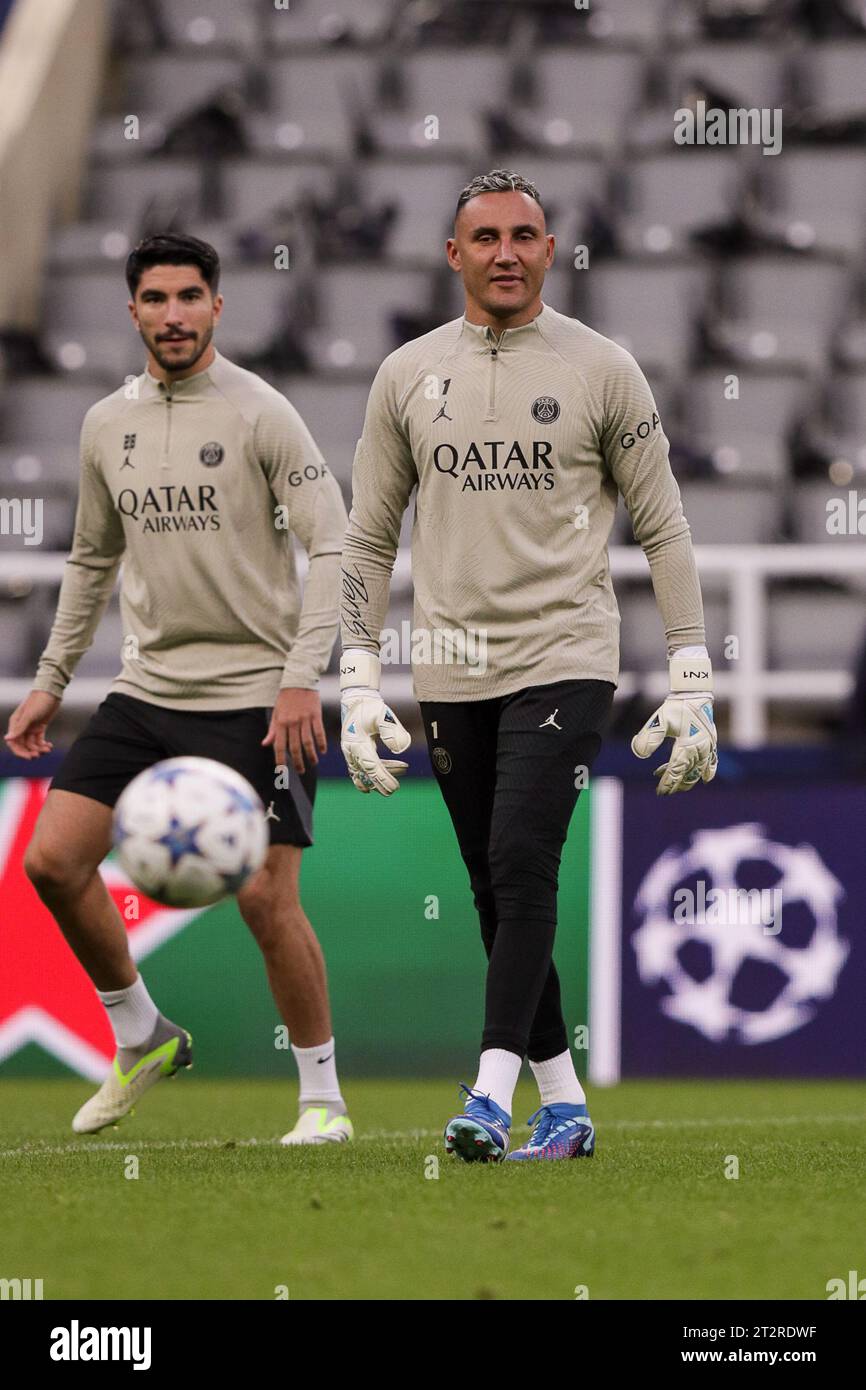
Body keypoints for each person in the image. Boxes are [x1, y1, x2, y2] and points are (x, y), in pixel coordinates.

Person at [338, 171, 717, 1163]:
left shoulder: (602, 368)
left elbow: (664, 525)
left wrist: (689, 671)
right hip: (448, 663)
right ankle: (564, 1102)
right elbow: (368, 538)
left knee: (519, 860)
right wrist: (355, 676)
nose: (505, 250)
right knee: (490, 889)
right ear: (451, 255)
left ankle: (486, 1093)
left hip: (564, 651)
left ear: (551, 250)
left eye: (524, 234)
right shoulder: (404, 375)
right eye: (484, 236)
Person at [5, 233, 354, 1147]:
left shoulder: (261, 412)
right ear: (132, 312)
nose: (173, 315)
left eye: (190, 297)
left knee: (266, 902)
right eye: (155, 299)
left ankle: (323, 1099)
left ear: (217, 307)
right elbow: (90, 562)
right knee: (51, 863)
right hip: (147, 689)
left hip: (254, 695)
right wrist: (51, 683)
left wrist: (299, 680)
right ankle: (141, 1034)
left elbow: (337, 545)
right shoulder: (104, 425)